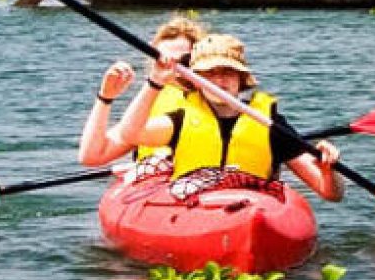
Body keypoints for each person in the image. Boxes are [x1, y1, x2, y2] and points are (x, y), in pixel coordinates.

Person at [112, 33, 345, 202]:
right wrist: (154, 83)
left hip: (253, 207)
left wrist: (328, 169)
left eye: (226, 72)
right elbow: (130, 133)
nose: (219, 81)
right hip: (195, 206)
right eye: (209, 74)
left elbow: (331, 193)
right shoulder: (181, 118)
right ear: (195, 79)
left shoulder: (270, 124)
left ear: (241, 79)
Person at [78, 16, 206, 169]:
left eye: (184, 62)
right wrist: (105, 97)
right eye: (163, 62)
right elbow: (91, 155)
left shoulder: (221, 98)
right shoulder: (149, 103)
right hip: (155, 182)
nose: (174, 70)